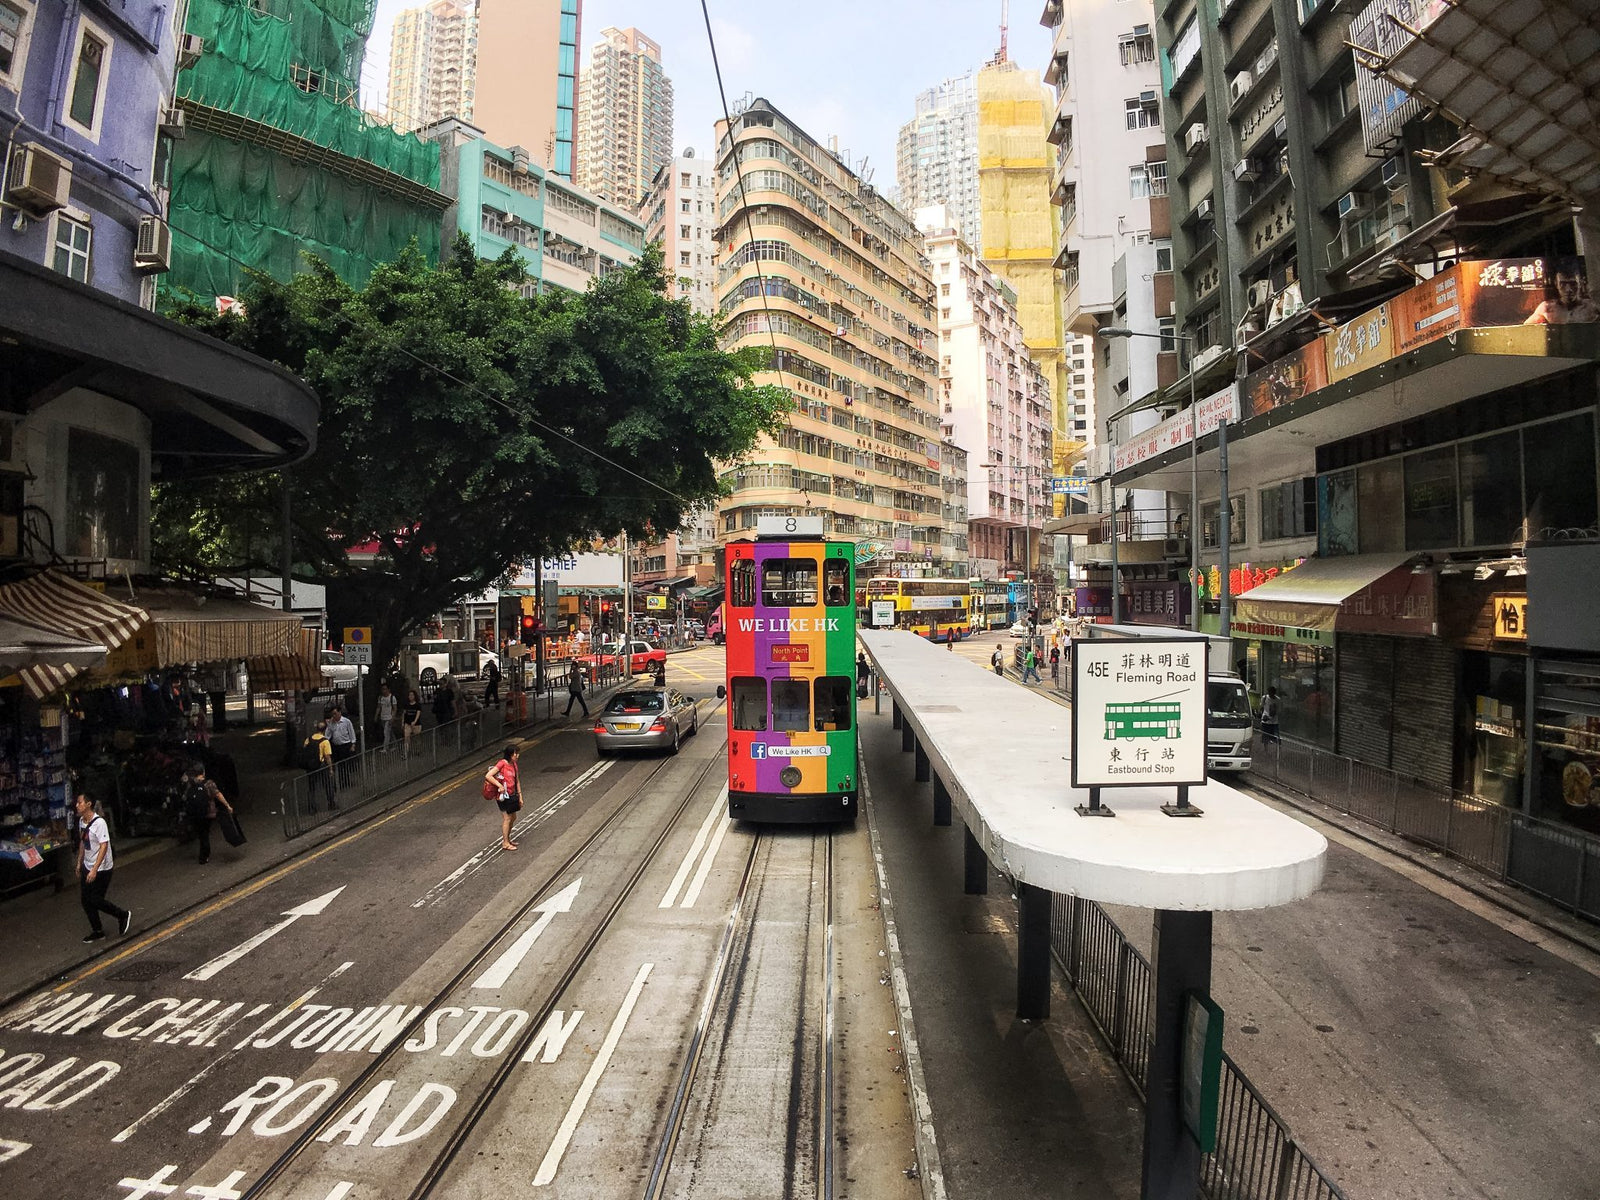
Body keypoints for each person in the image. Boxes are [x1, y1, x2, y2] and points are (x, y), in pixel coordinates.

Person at [75, 791, 130, 943]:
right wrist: (79, 862)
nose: (77, 805)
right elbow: (83, 842)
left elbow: (104, 846)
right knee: (86, 900)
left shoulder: (99, 823)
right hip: (88, 864)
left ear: (88, 804)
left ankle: (122, 915)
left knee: (95, 898)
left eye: (80, 802)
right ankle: (97, 930)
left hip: (102, 868)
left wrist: (94, 869)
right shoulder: (82, 822)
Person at [1525, 263, 1600, 325]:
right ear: (1556, 284)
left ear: (1579, 284)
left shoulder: (1592, 306)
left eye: (1573, 284)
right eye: (1563, 284)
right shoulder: (1547, 307)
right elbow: (1527, 328)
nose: (1568, 289)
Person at [486, 743, 522, 852]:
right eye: (516, 753)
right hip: (502, 796)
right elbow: (488, 776)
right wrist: (500, 786)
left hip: (512, 795)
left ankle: (508, 839)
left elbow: (517, 781)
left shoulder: (514, 765)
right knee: (507, 818)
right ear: (510, 754)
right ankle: (505, 843)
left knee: (513, 817)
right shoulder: (502, 764)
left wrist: (520, 796)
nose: (517, 755)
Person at [303, 720, 336, 811]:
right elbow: (327, 757)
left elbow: (305, 751)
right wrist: (330, 769)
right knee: (328, 785)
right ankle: (331, 804)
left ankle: (312, 808)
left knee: (312, 788)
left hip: (310, 766)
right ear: (325, 730)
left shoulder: (308, 739)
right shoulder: (325, 741)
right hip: (321, 766)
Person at [327, 705, 357, 786]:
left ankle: (346, 781)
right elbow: (328, 734)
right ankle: (340, 781)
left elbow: (351, 732)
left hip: (345, 745)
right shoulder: (331, 723)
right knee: (338, 765)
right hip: (336, 747)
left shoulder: (347, 722)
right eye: (332, 714)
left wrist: (353, 744)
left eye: (335, 714)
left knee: (346, 765)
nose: (334, 716)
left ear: (339, 713)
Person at [401, 689, 424, 758]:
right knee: (407, 738)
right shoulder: (406, 705)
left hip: (416, 724)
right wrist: (402, 722)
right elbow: (404, 714)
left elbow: (418, 713)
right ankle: (405, 753)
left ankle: (418, 750)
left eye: (412, 695)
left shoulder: (417, 705)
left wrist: (414, 721)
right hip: (407, 723)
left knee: (417, 738)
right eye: (409, 695)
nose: (410, 696)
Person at [376, 683, 398, 751]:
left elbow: (395, 708)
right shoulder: (380, 698)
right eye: (382, 689)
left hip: (389, 717)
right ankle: (395, 744)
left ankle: (385, 748)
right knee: (389, 732)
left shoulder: (392, 698)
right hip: (383, 717)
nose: (384, 691)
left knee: (386, 732)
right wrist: (376, 715)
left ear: (388, 689)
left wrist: (393, 717)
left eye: (385, 689)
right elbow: (379, 707)